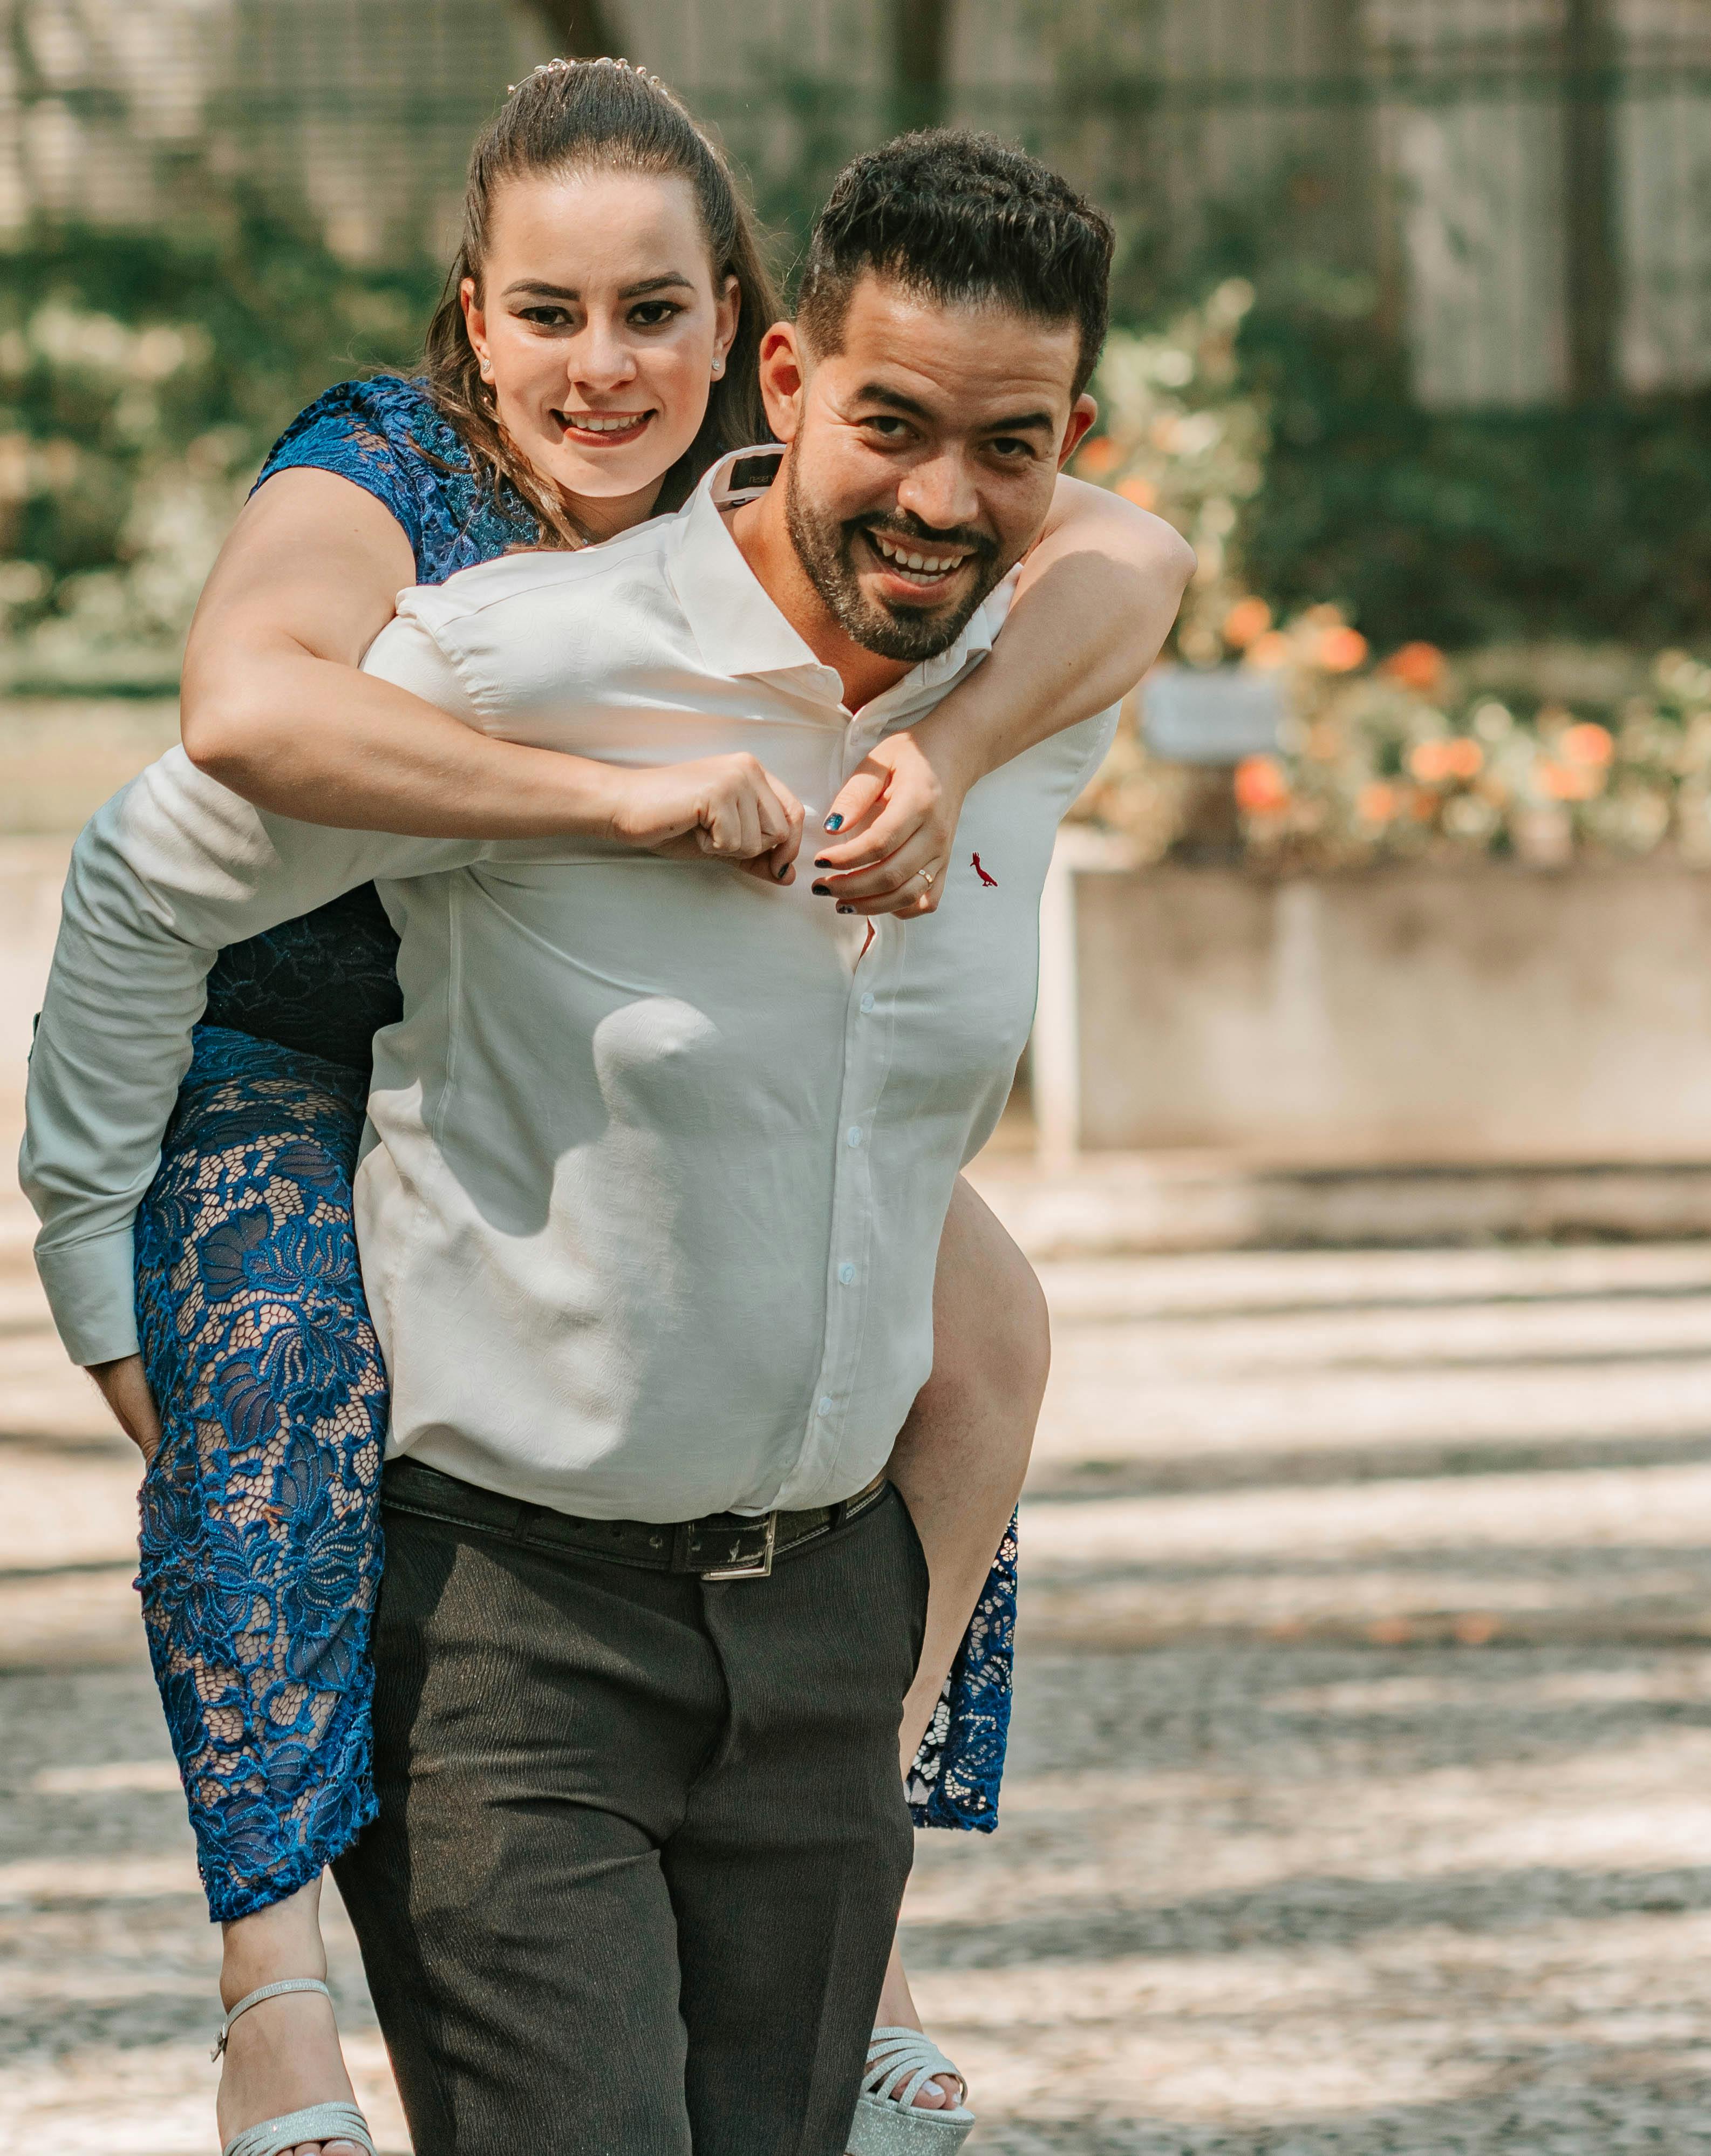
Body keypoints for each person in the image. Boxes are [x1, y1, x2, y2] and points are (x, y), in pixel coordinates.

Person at [40, 62, 1188, 2156]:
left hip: (731, 1437)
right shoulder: (403, 505)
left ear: (733, 323)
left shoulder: (836, 531)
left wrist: (951, 752)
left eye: (649, 311)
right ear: (470, 314)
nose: (602, 363)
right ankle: (269, 1994)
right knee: (271, 1392)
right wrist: (616, 805)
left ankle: (874, 1871)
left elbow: (1139, 556)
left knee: (980, 1337)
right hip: (305, 1033)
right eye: (550, 314)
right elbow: (225, 740)